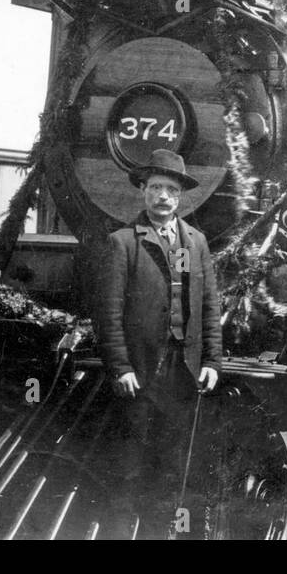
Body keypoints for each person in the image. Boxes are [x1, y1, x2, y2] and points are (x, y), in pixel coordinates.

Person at [93, 148, 222, 535]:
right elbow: (109, 314)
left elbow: (209, 307)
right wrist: (121, 368)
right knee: (128, 470)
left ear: (180, 196)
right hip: (141, 372)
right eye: (154, 187)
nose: (162, 196)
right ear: (143, 192)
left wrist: (212, 362)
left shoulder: (195, 242)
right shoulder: (123, 243)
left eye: (169, 189)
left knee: (169, 470)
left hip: (183, 373)